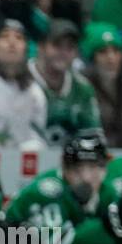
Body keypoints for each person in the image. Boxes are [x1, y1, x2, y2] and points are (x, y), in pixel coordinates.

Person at [0, 130, 114, 244]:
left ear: (105, 169)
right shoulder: (44, 193)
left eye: (93, 168)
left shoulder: (110, 193)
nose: (86, 178)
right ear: (64, 167)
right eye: (78, 169)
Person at [29, 18, 102, 147]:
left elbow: (93, 139)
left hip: (71, 157)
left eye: (70, 47)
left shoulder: (83, 89)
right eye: (57, 45)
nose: (63, 53)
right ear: (41, 47)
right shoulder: (21, 80)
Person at [0, 20, 48, 150]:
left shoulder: (34, 92)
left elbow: (38, 136)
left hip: (22, 157)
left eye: (19, 38)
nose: (12, 42)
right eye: (4, 36)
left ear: (26, 49)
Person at [81, 21, 122, 149]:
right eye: (103, 52)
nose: (111, 58)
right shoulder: (82, 87)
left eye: (116, 51)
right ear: (92, 58)